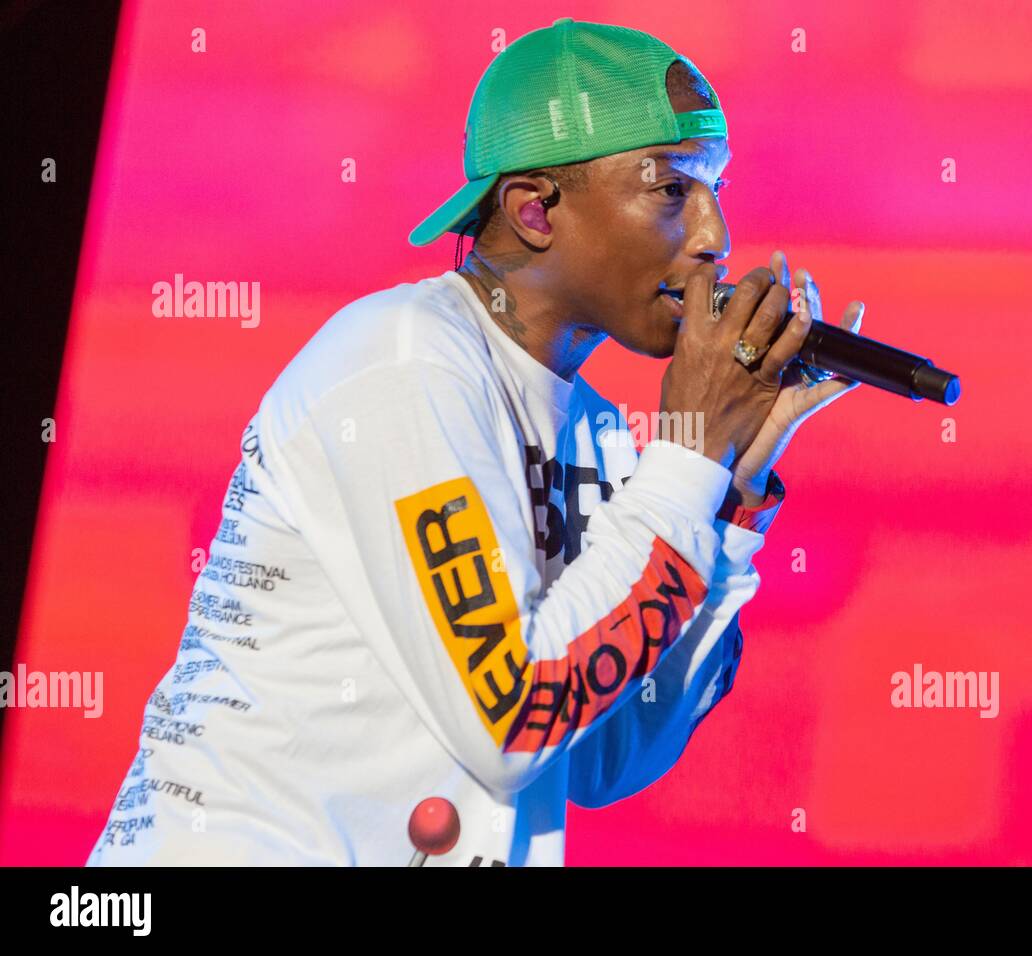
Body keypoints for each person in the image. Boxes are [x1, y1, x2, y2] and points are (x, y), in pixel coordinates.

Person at [86, 17, 863, 867]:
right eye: (673, 188)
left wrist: (726, 494)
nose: (715, 235)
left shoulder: (592, 427)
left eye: (716, 188)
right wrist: (683, 467)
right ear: (535, 209)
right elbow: (519, 718)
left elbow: (605, 753)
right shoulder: (401, 364)